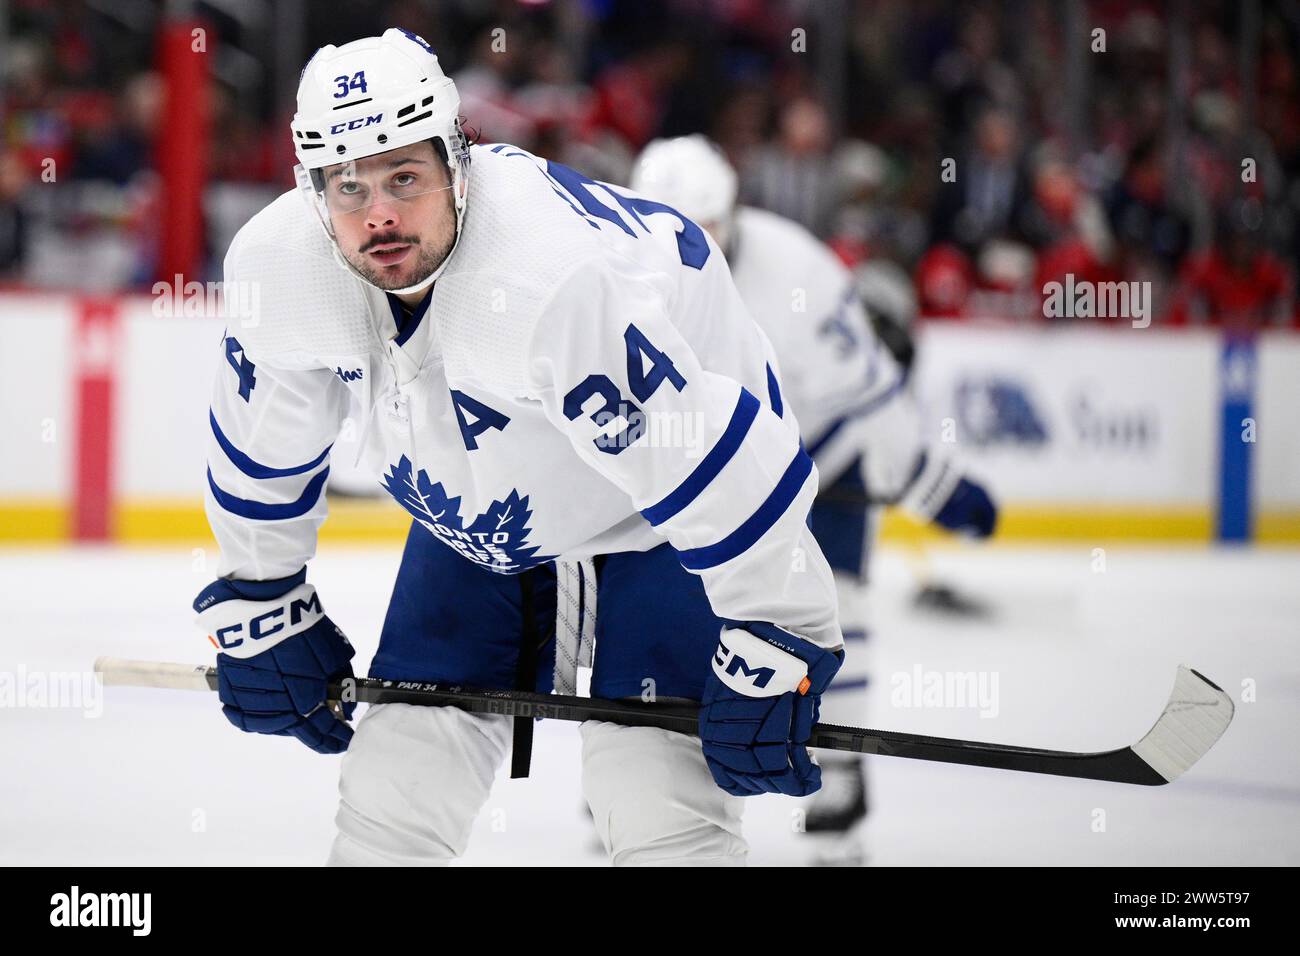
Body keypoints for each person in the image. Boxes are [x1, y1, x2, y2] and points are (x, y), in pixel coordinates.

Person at [192, 29, 845, 867]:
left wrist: (778, 629)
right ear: (310, 191)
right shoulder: (281, 268)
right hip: (485, 511)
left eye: (405, 177)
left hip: (652, 521)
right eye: (349, 187)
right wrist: (261, 593)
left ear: (459, 162)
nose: (380, 214)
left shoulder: (544, 281)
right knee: (397, 782)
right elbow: (261, 452)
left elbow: (705, 456)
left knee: (657, 796)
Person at [631, 135, 997, 863]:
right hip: (696, 474)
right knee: (665, 620)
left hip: (817, 465)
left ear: (734, 210)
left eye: (712, 227)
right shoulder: (614, 271)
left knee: (840, 612)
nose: (697, 246)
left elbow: (871, 401)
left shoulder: (798, 271)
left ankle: (838, 783)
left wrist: (931, 484)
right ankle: (644, 777)